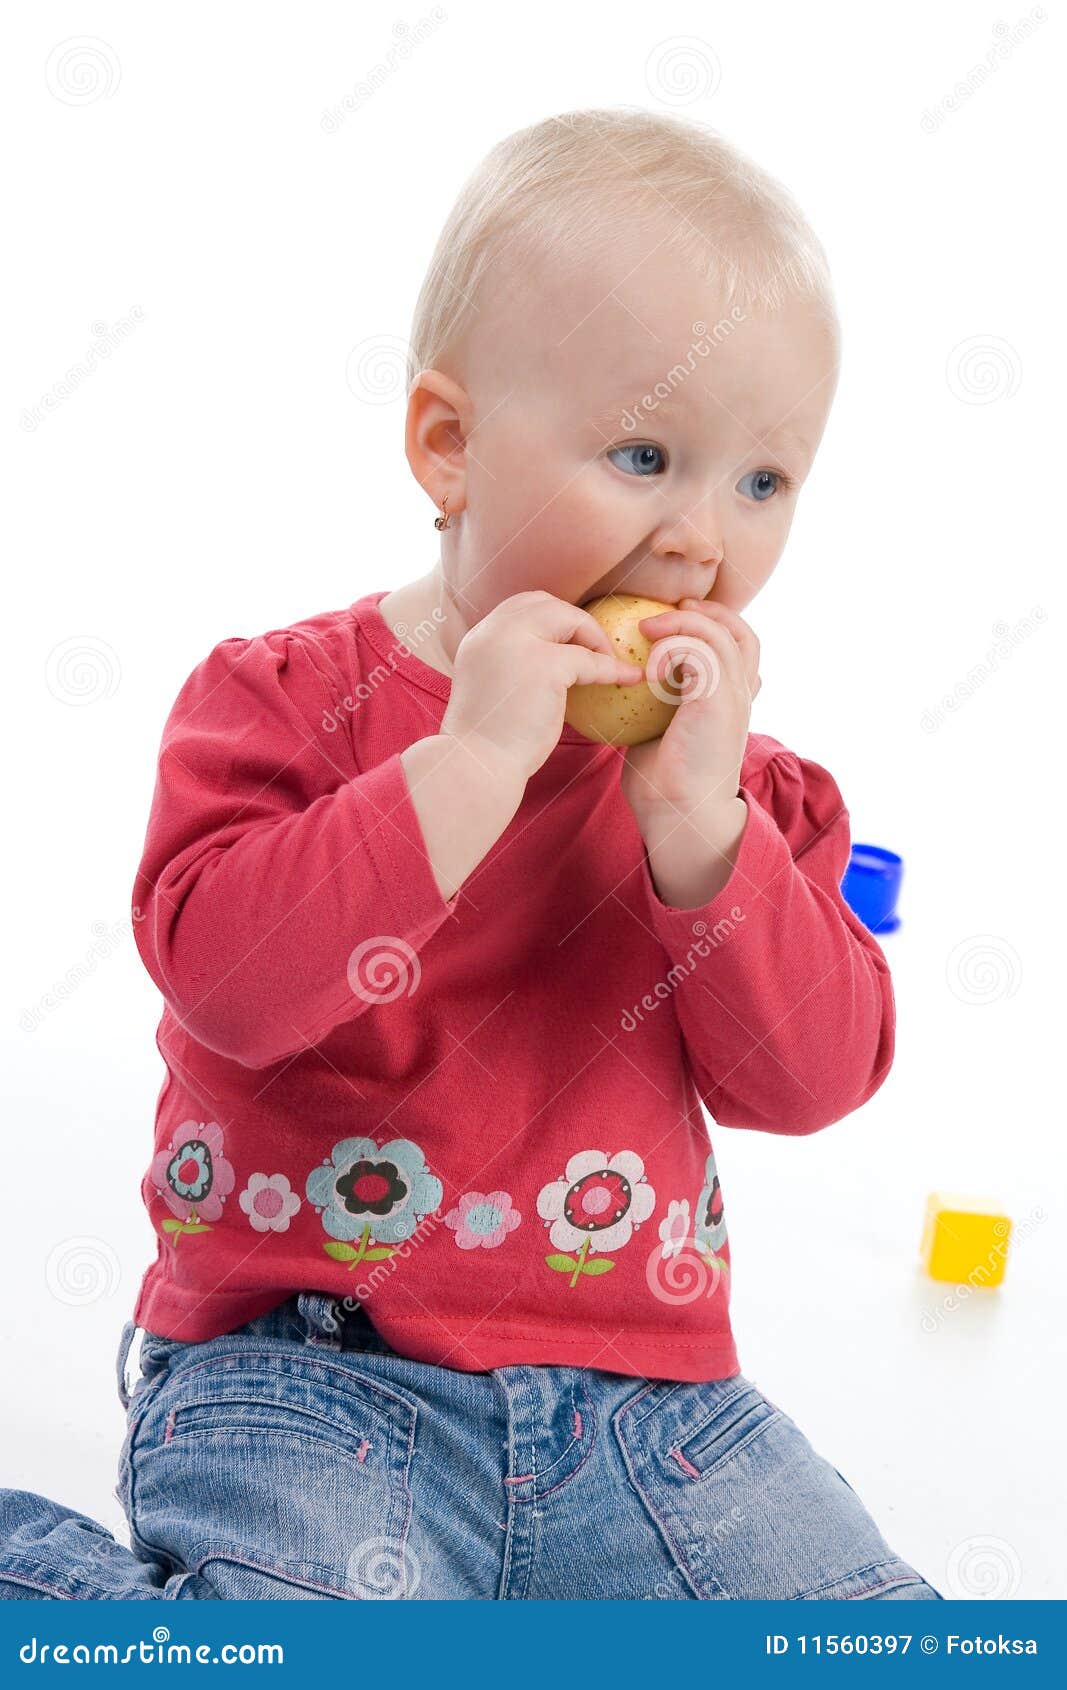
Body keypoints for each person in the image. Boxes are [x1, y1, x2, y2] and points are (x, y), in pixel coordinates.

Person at [0, 108, 942, 1600]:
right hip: (313, 1379)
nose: (703, 540)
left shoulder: (748, 792)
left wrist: (706, 838)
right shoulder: (288, 703)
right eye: (646, 455)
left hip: (660, 1417)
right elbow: (230, 983)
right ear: (448, 444)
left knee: (892, 1651)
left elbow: (809, 1080)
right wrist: (469, 766)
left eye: (763, 483)